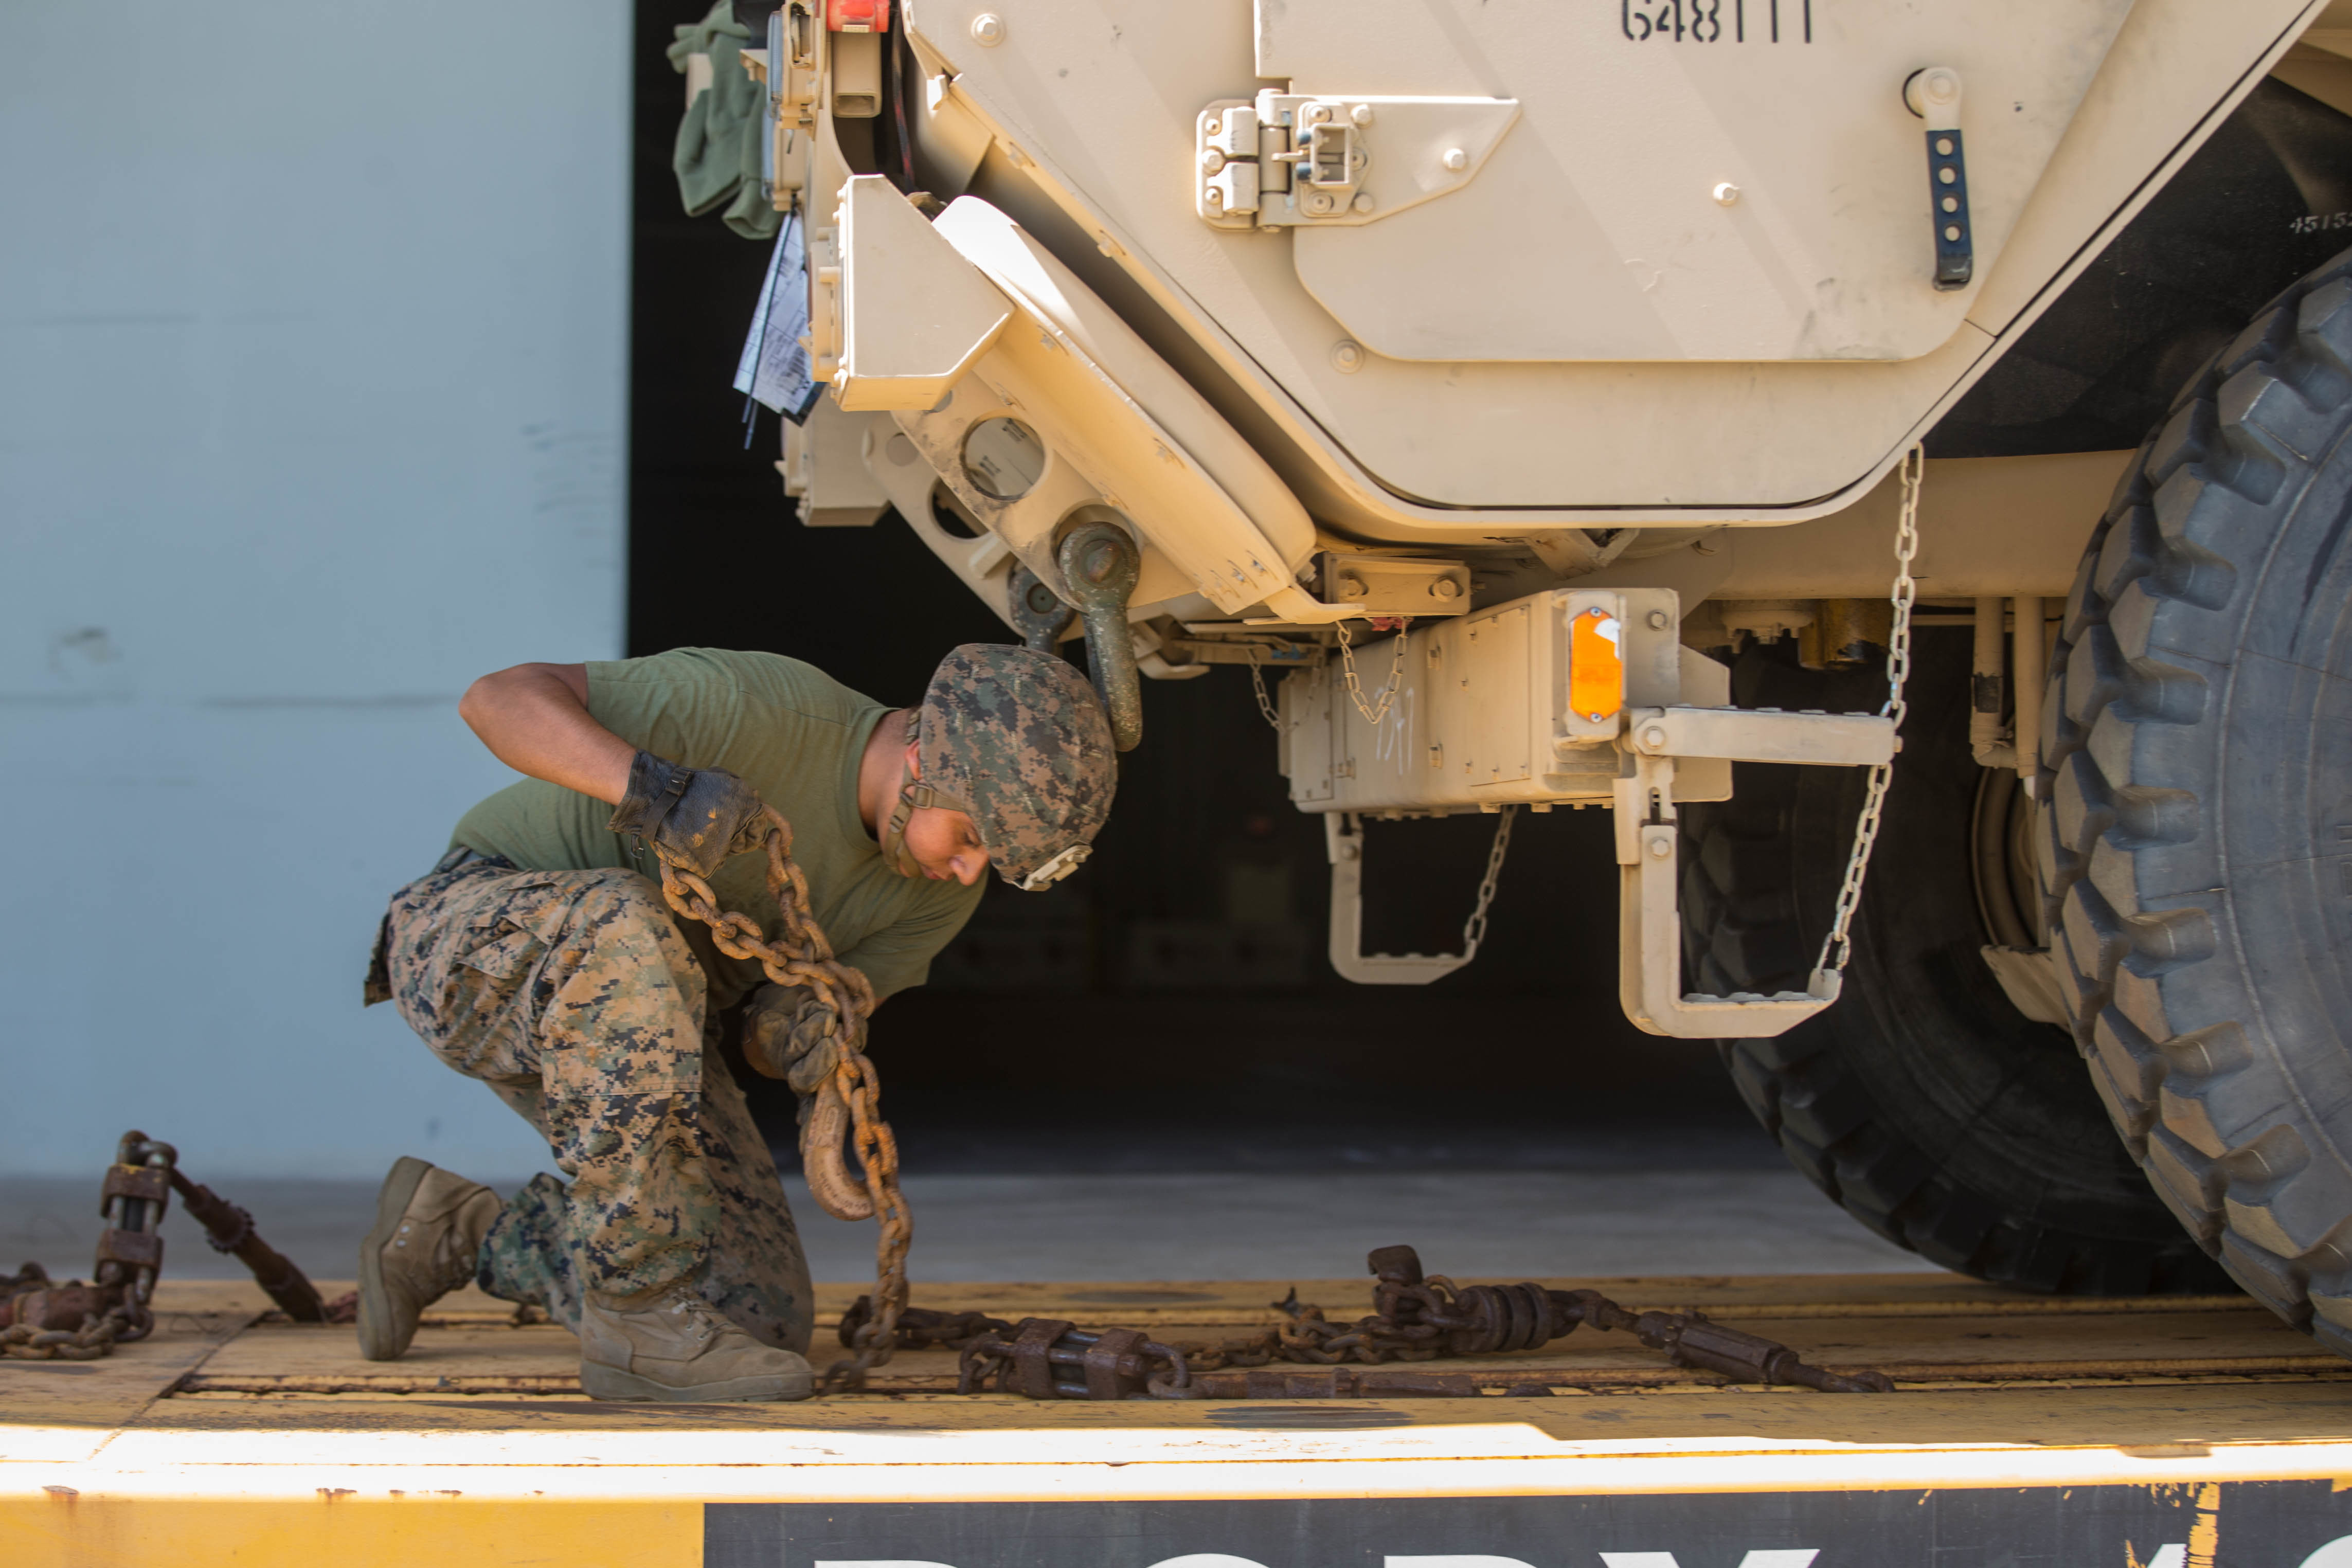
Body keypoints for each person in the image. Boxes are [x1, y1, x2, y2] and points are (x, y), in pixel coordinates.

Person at [355, 643, 1114, 1402]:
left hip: (644, 1032)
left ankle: (456, 1230)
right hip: (472, 945)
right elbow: (497, 698)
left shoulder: (933, 898)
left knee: (756, 1321)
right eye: (974, 837)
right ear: (923, 764)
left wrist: (799, 1032)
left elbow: (765, 1037)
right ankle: (637, 1314)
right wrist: (655, 792)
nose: (968, 871)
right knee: (629, 921)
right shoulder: (761, 708)